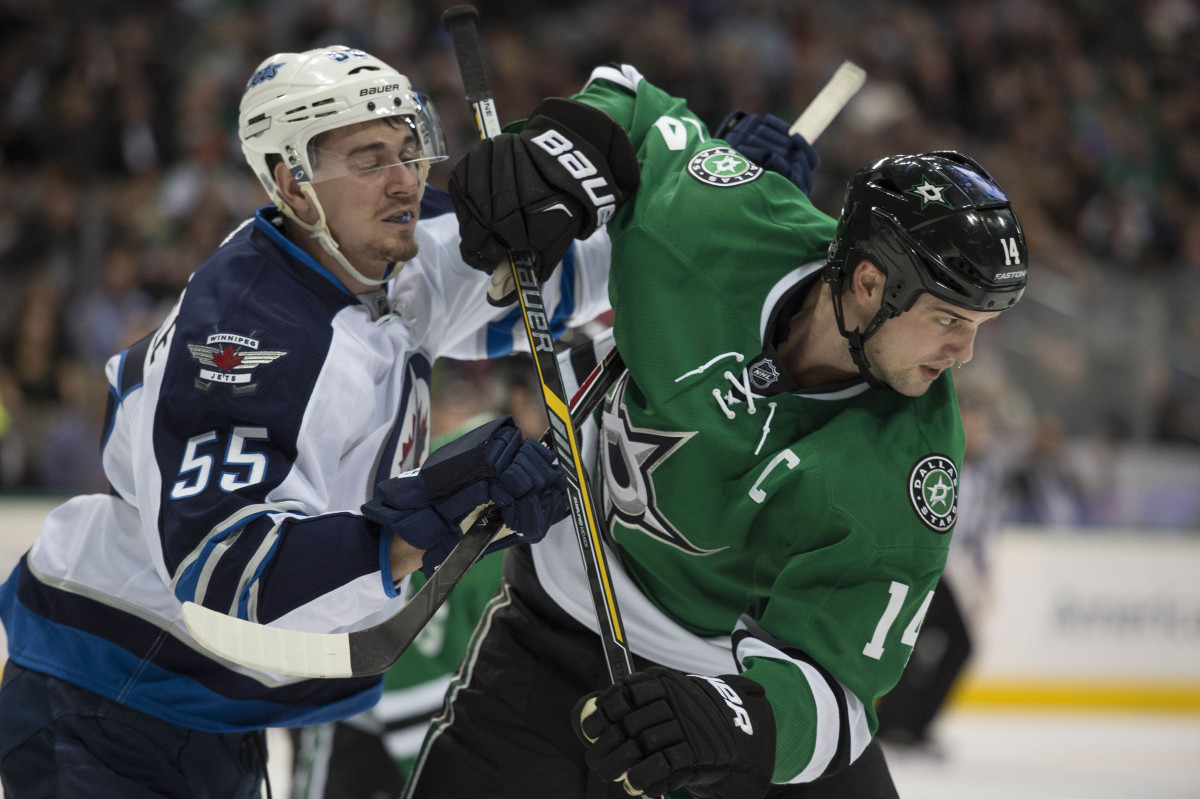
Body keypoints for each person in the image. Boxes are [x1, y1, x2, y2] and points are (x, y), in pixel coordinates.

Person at [0, 45, 632, 798]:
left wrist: (694, 192)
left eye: (409, 148)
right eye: (369, 160)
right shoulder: (248, 336)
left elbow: (572, 277)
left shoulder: (382, 244)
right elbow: (226, 571)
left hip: (221, 707)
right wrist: (431, 519)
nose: (405, 179)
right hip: (111, 695)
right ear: (292, 184)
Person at [403, 63, 1029, 799]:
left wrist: (740, 724)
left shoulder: (916, 462)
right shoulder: (724, 226)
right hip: (558, 633)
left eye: (980, 325)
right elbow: (633, 102)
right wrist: (556, 150)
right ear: (869, 283)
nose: (964, 353)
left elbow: (839, 686)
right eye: (950, 319)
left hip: (722, 685)